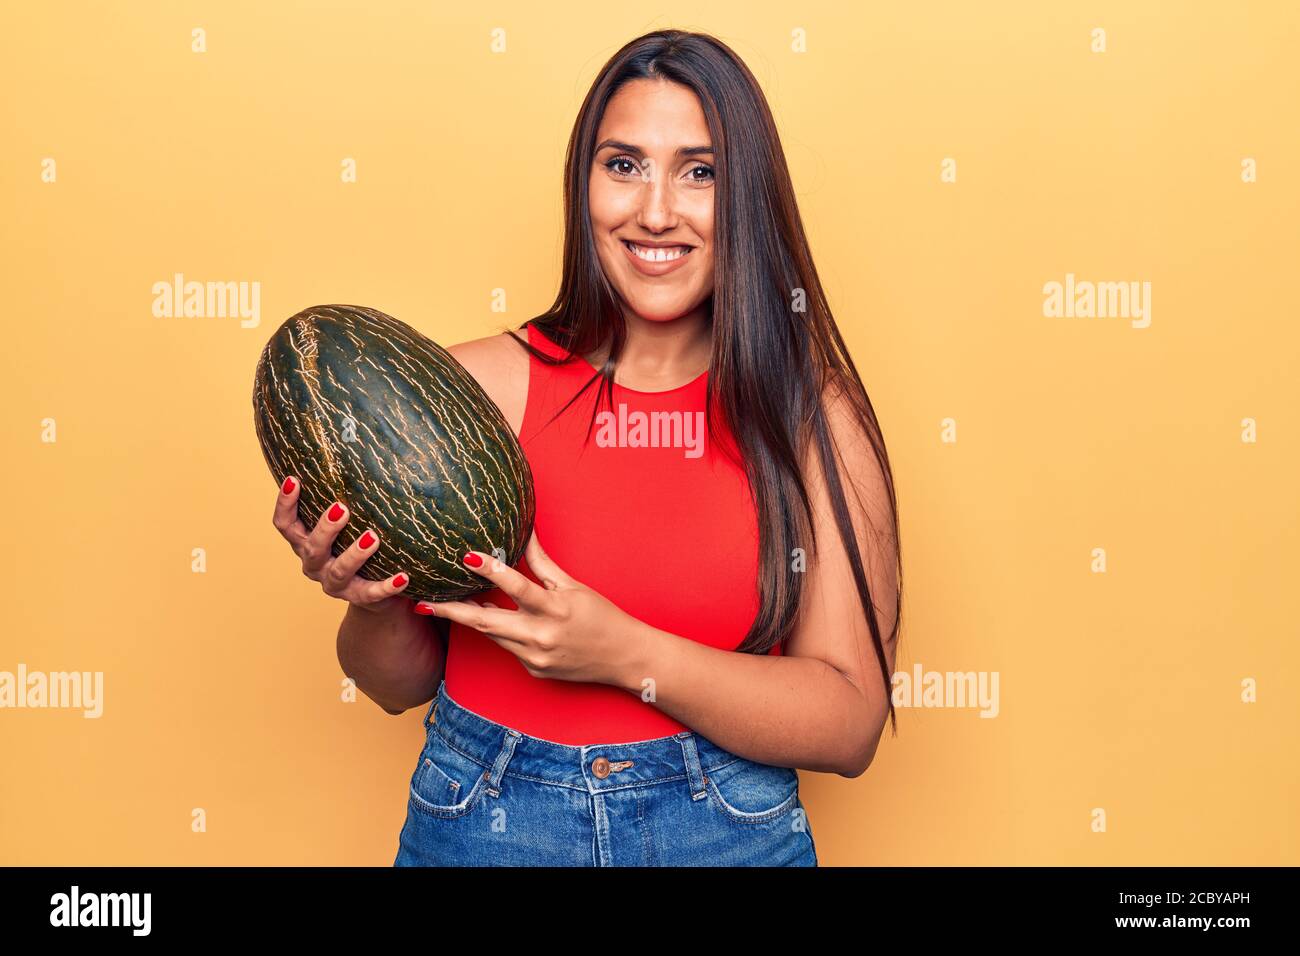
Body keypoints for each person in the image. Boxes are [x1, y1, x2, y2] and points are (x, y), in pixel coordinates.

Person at [270, 29, 902, 866]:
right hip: (481, 825)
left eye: (700, 172)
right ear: (585, 183)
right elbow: (398, 686)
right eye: (624, 164)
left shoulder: (813, 419)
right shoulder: (477, 391)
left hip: (723, 837)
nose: (655, 211)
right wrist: (370, 599)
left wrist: (624, 653)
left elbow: (850, 722)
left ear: (746, 194)